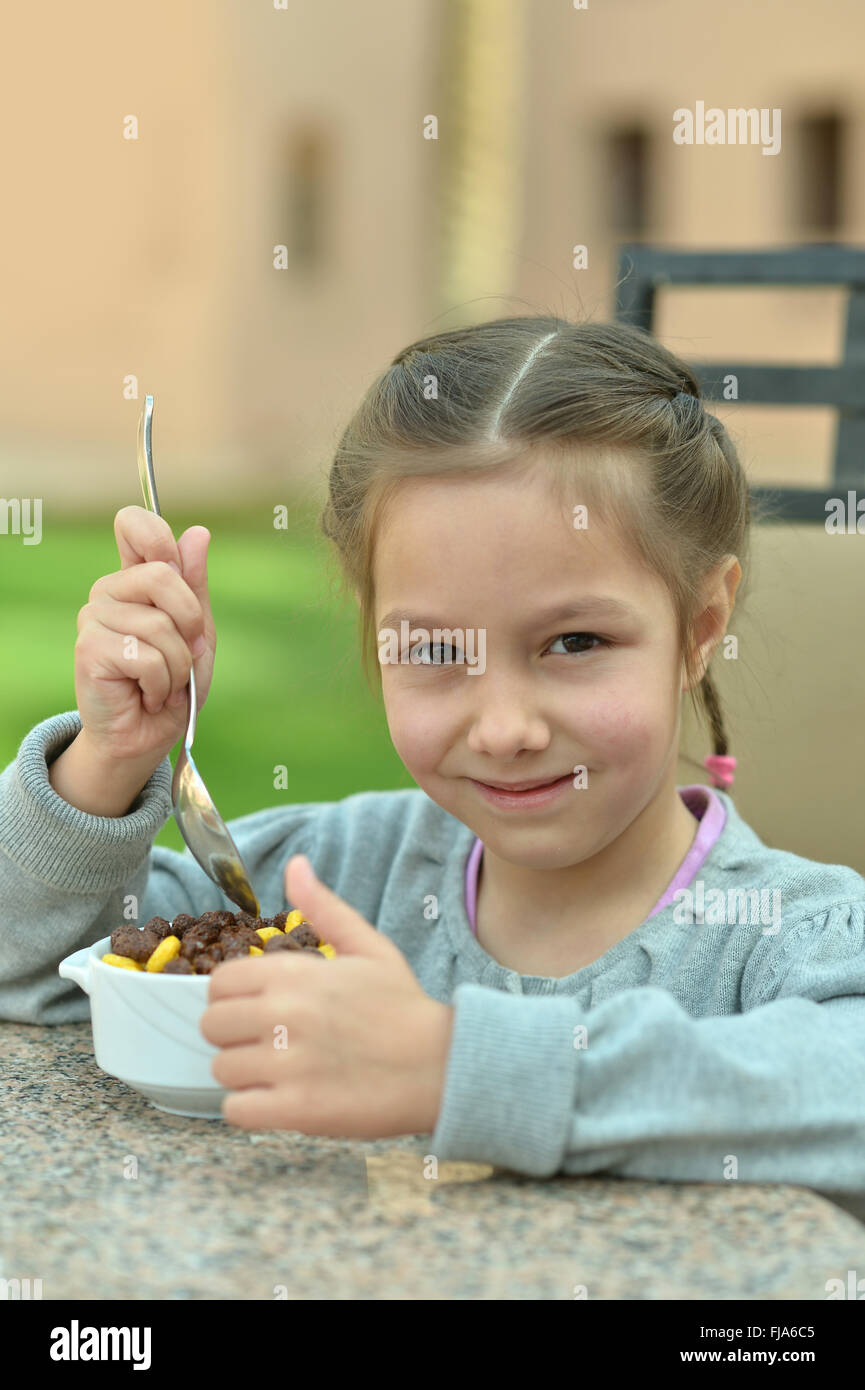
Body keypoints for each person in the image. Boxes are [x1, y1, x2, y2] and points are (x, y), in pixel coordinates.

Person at [1, 316, 863, 1217]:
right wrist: (111, 759)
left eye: (575, 641)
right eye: (435, 647)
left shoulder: (785, 934)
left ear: (696, 632)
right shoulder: (336, 876)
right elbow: (40, 967)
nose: (503, 727)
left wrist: (457, 1069)